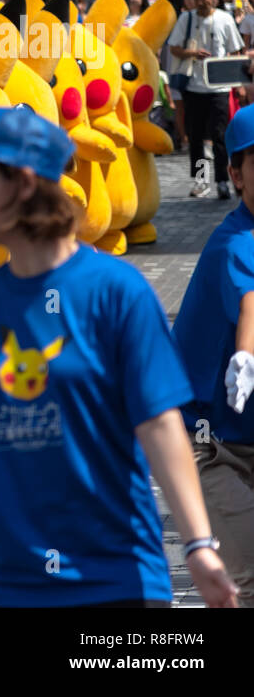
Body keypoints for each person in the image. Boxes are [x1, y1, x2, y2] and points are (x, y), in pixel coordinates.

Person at [0, 107, 239, 608]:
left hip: (117, 583)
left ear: (25, 183)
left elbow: (161, 428)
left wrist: (199, 548)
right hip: (0, 586)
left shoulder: (117, 294)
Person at [171, 105, 254, 607]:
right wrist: (246, 354)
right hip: (211, 443)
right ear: (236, 175)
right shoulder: (234, 245)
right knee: (246, 578)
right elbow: (251, 301)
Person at [169, 0, 246, 199]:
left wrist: (238, 83)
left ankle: (222, 180)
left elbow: (235, 51)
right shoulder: (186, 18)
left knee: (220, 136)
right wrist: (192, 54)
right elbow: (174, 48)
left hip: (219, 89)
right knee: (196, 138)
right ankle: (201, 181)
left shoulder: (225, 19)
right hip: (193, 88)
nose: (199, 1)